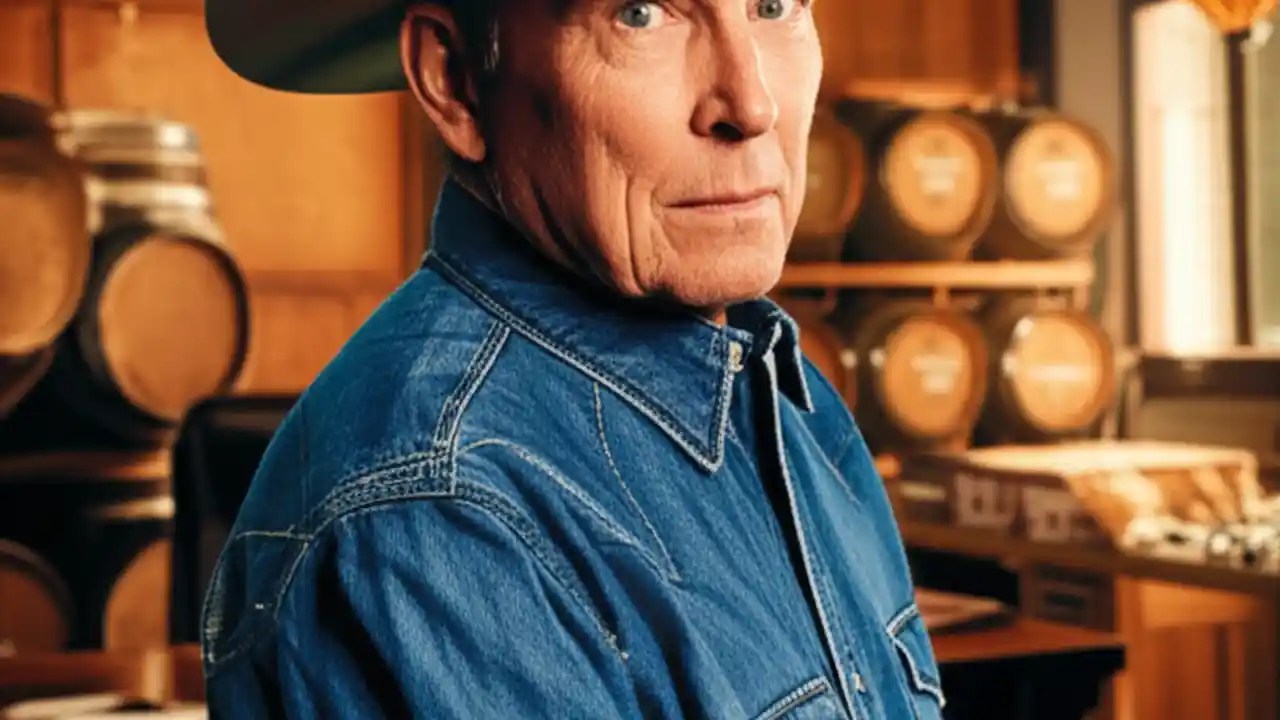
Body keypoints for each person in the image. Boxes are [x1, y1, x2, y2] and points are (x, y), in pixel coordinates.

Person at [200, 0, 945, 717]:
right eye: (641, 14)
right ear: (454, 77)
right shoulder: (438, 513)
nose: (749, 105)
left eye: (775, 6)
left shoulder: (786, 397)